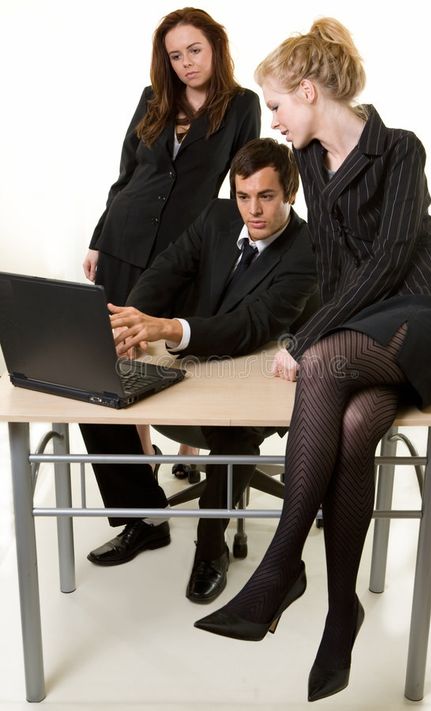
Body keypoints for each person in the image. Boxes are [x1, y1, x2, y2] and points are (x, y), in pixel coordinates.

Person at [194, 17, 431, 702]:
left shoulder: (400, 149)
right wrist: (311, 329)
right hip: (372, 327)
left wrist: (305, 338)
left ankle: (282, 564)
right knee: (351, 429)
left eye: (279, 103)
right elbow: (339, 268)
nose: (276, 118)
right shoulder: (314, 167)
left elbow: (386, 261)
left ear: (310, 91)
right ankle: (341, 609)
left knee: (322, 362)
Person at [81, 138, 319, 605]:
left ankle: (211, 551)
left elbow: (249, 326)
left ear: (290, 192)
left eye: (266, 196)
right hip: (196, 361)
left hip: (262, 376)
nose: (253, 210)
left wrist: (167, 327)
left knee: (234, 435)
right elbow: (167, 269)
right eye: (244, 196)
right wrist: (131, 321)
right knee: (100, 395)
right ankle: (145, 519)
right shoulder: (217, 216)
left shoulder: (308, 249)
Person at [82, 7, 261, 480]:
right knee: (126, 350)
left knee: (181, 343)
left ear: (216, 48)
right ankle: (142, 460)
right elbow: (126, 174)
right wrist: (99, 239)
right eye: (176, 55)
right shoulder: (153, 99)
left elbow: (242, 182)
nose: (186, 63)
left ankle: (189, 449)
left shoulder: (242, 105)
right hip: (125, 236)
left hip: (186, 247)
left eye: (194, 50)